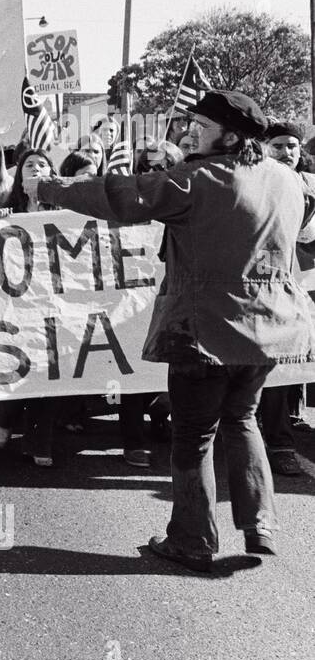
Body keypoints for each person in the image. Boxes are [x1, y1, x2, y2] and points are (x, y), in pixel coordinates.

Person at [27, 90, 315, 570]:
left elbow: (121, 197)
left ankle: (192, 539)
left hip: (205, 332)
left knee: (195, 433)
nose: (190, 132)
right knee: (242, 419)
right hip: (269, 328)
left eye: (201, 125)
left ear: (229, 133)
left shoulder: (198, 178)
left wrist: (50, 188)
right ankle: (259, 523)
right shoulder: (287, 180)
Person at [0, 148, 63, 467]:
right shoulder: (8, 210)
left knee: (49, 375)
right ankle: (5, 416)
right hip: (16, 304)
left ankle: (42, 444)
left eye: (42, 165)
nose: (36, 169)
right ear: (19, 175)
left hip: (53, 303)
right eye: (29, 165)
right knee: (18, 370)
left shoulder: (66, 208)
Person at [254, 119, 314, 477]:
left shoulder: (309, 186)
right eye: (278, 146)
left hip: (294, 289)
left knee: (281, 370)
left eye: (292, 146)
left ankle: (280, 444)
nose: (286, 152)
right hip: (252, 287)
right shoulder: (251, 182)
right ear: (264, 148)